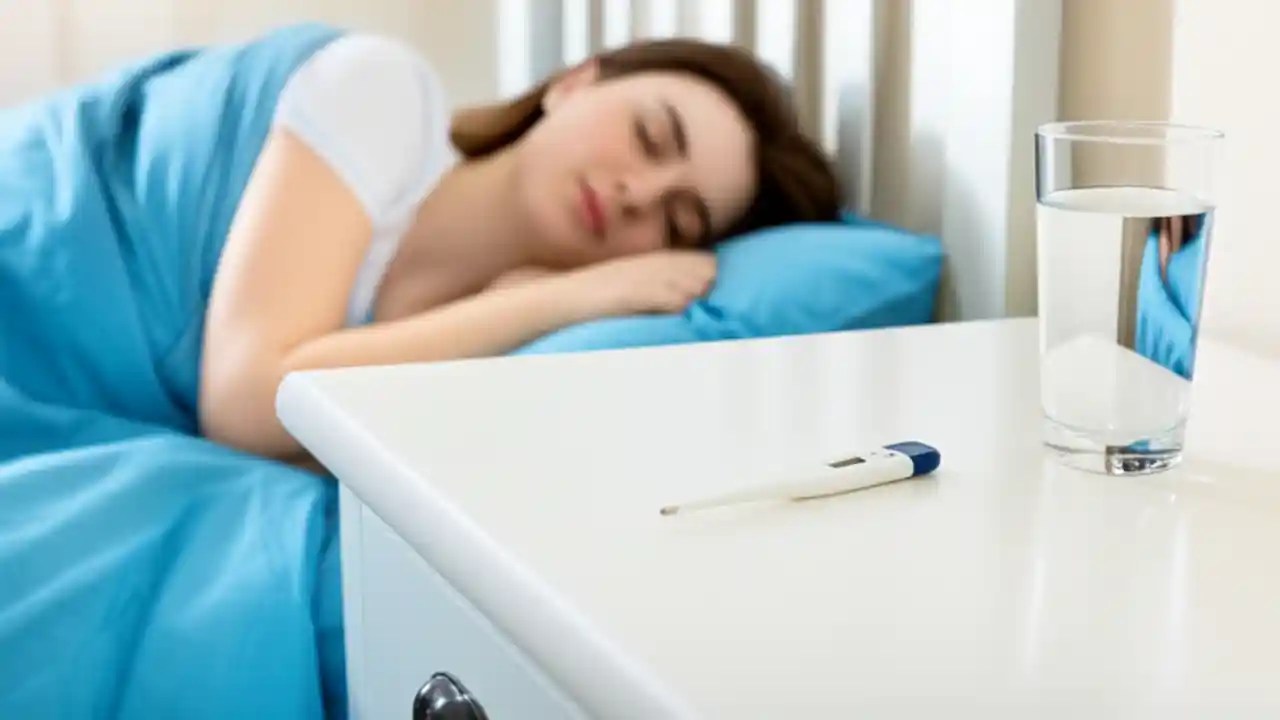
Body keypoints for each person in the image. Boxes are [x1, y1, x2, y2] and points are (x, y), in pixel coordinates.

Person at [198, 29, 842, 465]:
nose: (637, 194)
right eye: (648, 136)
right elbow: (246, 403)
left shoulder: (509, 355)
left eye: (676, 223)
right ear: (574, 83)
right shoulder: (380, 91)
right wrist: (563, 298)